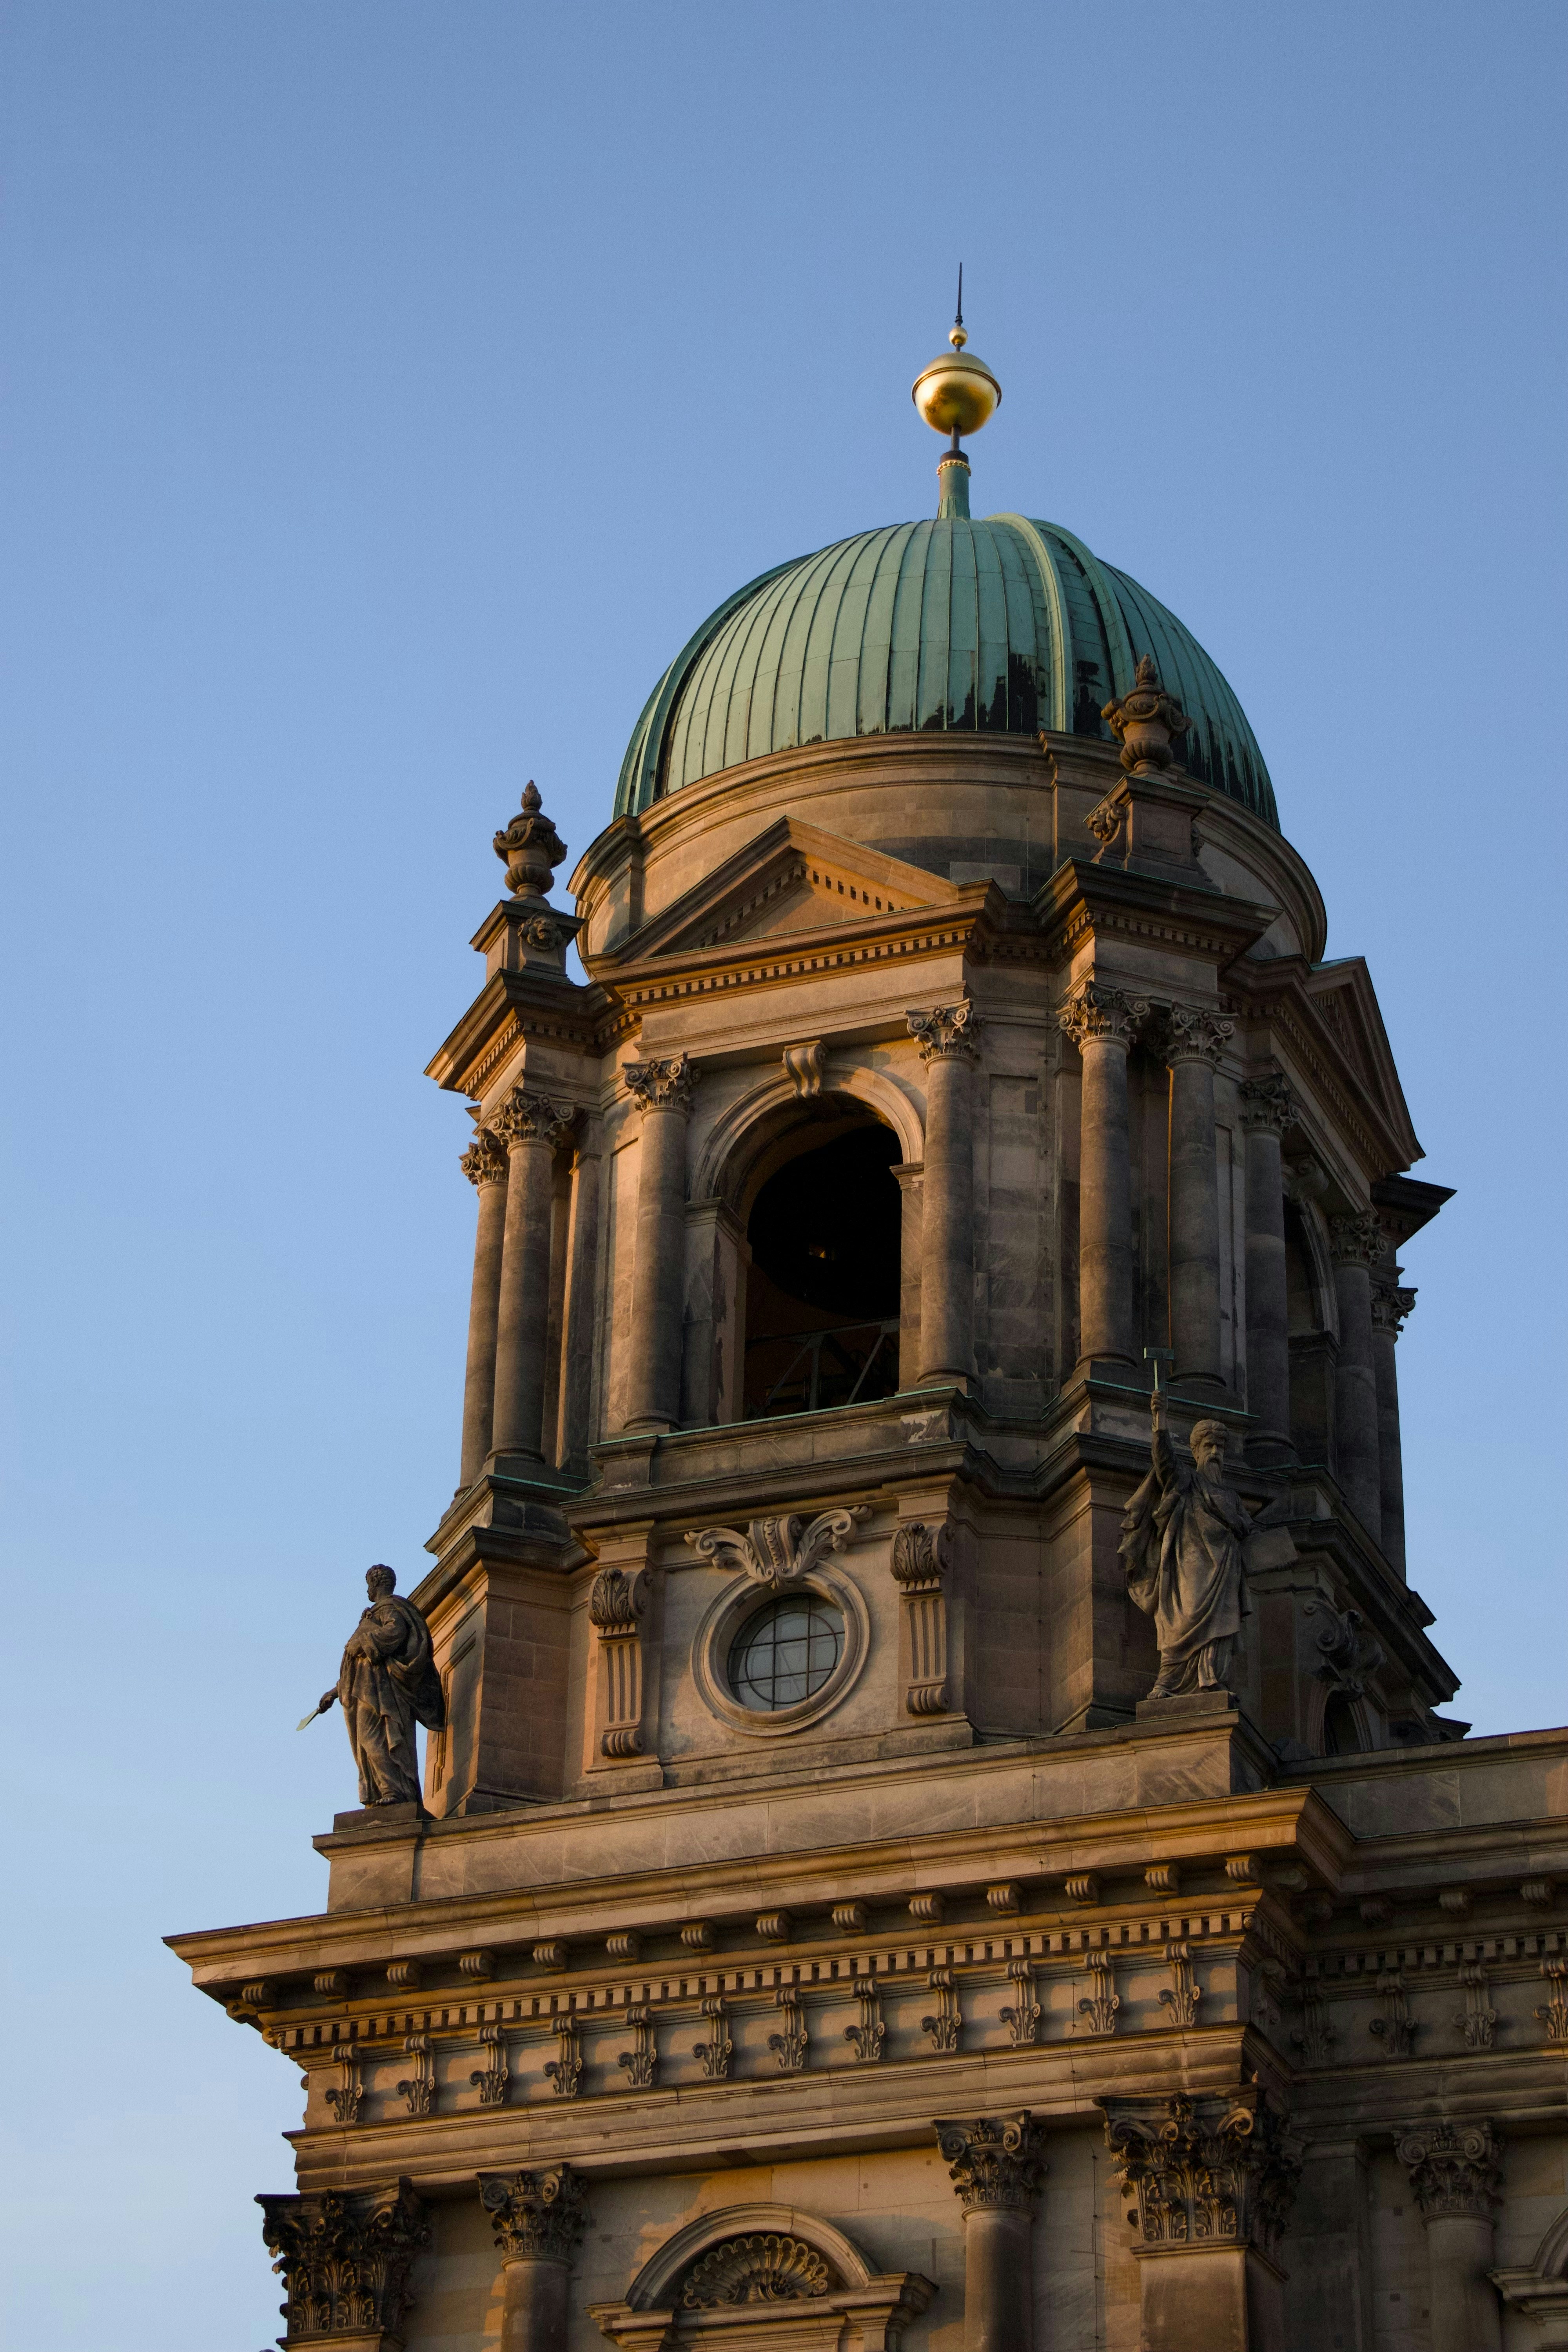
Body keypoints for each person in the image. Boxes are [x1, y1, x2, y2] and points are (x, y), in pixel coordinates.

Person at [1120, 1388, 1253, 1698]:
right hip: (1190, 1566)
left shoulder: (1232, 1498)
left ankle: (1209, 1680)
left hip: (1225, 1573)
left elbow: (1250, 1530)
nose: (1216, 1453)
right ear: (1196, 1452)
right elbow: (1164, 1461)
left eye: (1220, 1447)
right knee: (1182, 1621)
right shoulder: (1187, 1482)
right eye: (1209, 1446)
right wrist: (1160, 1421)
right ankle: (1167, 1683)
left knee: (1219, 1632)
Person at [318, 1565, 445, 1806]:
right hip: (364, 1688)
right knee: (368, 1742)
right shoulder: (376, 1612)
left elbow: (395, 1631)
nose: (368, 1590)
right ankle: (386, 1791)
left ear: (375, 1585)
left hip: (379, 1692)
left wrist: (364, 1642)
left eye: (369, 1584)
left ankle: (395, 1792)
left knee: (375, 1739)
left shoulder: (390, 1608)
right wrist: (335, 1693)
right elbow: (357, 1666)